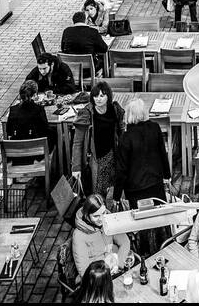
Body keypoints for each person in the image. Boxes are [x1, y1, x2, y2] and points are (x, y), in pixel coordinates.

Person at [113, 97, 171, 253]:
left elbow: (122, 170)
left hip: (136, 189)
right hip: (155, 183)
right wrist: (167, 175)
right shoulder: (155, 128)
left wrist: (117, 196)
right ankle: (163, 246)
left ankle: (145, 250)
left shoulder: (126, 138)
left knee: (142, 222)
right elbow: (162, 153)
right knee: (160, 218)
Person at [70, 81, 125, 197]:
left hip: (113, 156)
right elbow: (77, 143)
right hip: (96, 159)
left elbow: (121, 132)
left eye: (102, 96)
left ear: (108, 96)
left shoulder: (114, 109)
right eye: (95, 96)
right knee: (97, 193)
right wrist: (76, 167)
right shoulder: (86, 113)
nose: (98, 99)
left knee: (114, 190)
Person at [71, 193, 132, 274]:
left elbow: (125, 242)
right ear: (86, 216)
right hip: (98, 277)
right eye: (96, 216)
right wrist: (106, 273)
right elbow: (84, 271)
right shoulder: (78, 236)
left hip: (114, 267)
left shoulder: (108, 219)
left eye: (103, 213)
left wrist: (118, 264)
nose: (102, 219)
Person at [6, 79, 52, 156]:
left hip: (17, 154)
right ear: (34, 95)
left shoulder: (13, 109)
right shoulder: (39, 109)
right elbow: (46, 129)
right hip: (36, 153)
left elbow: (9, 131)